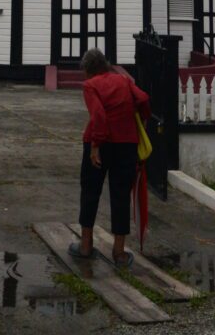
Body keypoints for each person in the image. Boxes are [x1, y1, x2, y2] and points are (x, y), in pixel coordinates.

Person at [69, 47, 151, 268]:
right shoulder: (123, 80)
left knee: (90, 191)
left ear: (88, 69)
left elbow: (98, 116)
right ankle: (119, 252)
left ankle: (86, 246)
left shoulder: (90, 85)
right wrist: (141, 122)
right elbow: (143, 99)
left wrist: (95, 146)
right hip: (126, 144)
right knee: (120, 195)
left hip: (100, 144)